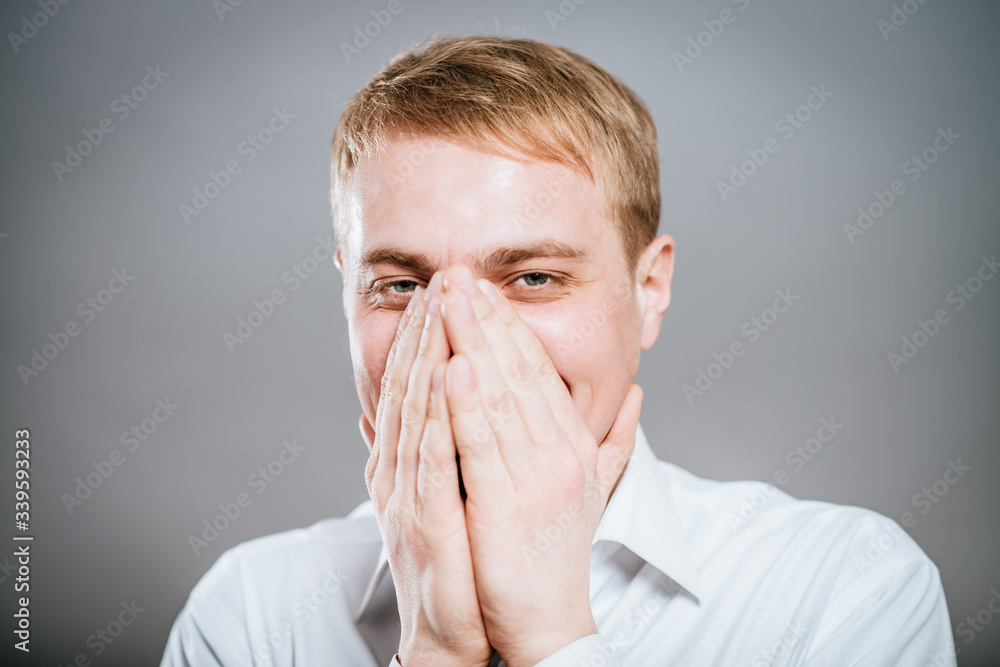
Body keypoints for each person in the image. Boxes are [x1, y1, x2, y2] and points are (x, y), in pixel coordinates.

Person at [161, 35, 956, 666]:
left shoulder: (845, 589)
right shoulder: (251, 616)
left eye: (534, 276)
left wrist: (552, 638)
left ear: (650, 290)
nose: (458, 345)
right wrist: (435, 653)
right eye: (402, 286)